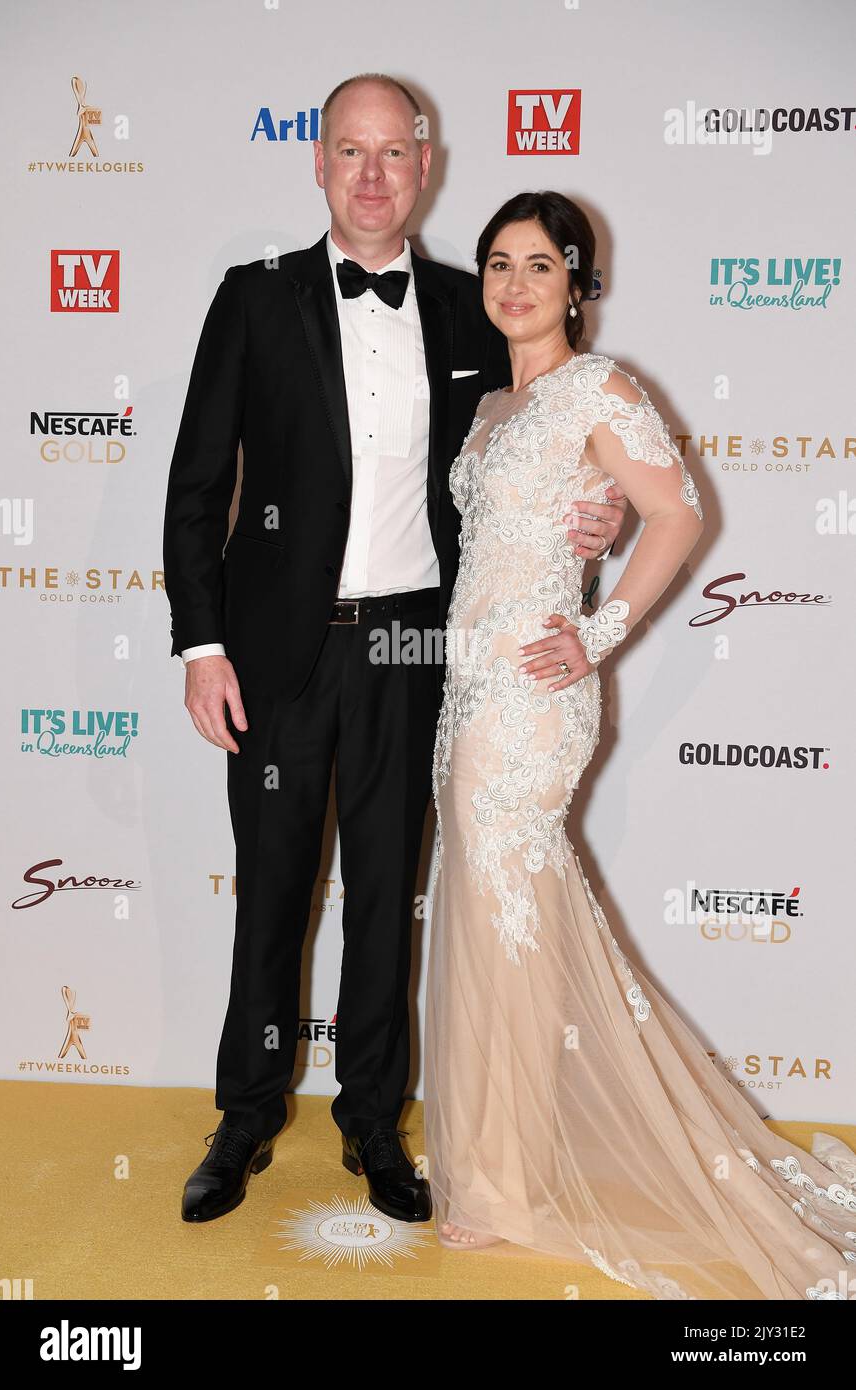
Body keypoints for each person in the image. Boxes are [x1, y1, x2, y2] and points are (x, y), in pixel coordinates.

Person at [162, 77, 628, 1224]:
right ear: (317, 166)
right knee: (270, 892)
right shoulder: (253, 300)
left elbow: (555, 427)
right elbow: (193, 488)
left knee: (385, 895)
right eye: (348, 153)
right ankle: (245, 1113)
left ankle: (373, 1118)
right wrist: (201, 643)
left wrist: (601, 510)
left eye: (392, 154)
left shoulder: (480, 306)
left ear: (424, 165)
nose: (371, 175)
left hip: (416, 651)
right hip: (272, 657)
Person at [423, 190, 856, 1300]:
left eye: (537, 264)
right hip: (466, 692)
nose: (514, 284)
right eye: (497, 264)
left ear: (577, 280)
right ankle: (488, 1158)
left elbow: (678, 513)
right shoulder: (484, 412)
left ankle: (508, 1178)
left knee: (510, 931)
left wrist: (600, 631)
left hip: (529, 694)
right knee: (487, 922)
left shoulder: (599, 389)